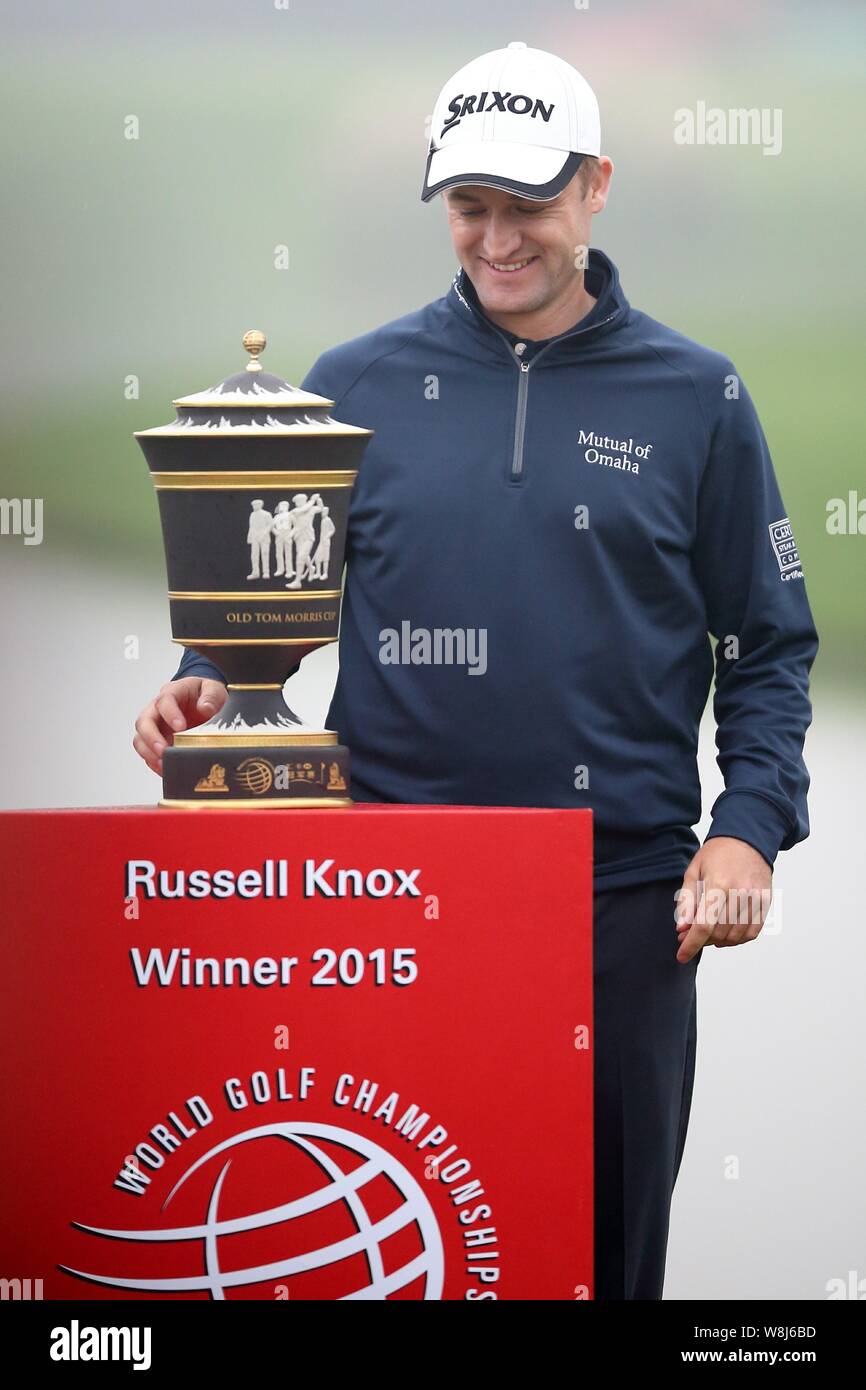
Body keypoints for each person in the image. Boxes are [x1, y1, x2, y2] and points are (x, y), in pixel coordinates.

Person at [133, 42, 819, 1299]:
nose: (497, 240)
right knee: (398, 1253)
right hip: (386, 901)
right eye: (470, 208)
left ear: (596, 187)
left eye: (529, 206)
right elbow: (265, 620)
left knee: (598, 1265)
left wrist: (751, 830)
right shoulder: (353, 384)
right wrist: (206, 681)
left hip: (620, 908)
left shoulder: (697, 396)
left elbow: (765, 645)